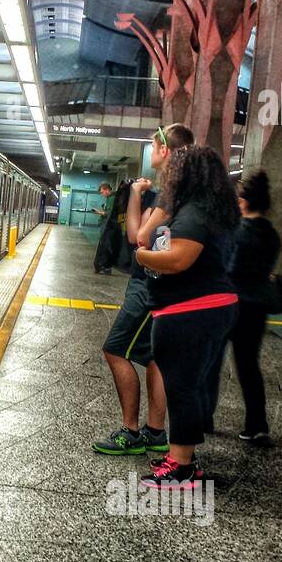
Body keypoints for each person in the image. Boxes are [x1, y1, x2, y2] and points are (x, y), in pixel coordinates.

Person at [134, 144, 240, 489]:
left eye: (173, 171)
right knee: (186, 385)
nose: (167, 176)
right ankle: (181, 459)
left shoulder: (194, 212)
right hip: (203, 306)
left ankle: (182, 467)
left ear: (186, 174)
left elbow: (178, 259)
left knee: (181, 387)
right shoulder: (206, 211)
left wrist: (143, 258)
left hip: (192, 309)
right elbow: (166, 246)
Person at [93, 124, 194, 457]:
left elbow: (138, 236)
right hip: (164, 287)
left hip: (149, 287)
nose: (151, 152)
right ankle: (154, 431)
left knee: (115, 349)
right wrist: (138, 196)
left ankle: (131, 432)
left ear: (164, 150)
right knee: (153, 359)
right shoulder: (180, 189)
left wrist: (136, 195)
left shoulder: (171, 193)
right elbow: (143, 233)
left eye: (153, 146)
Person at [228, 169, 281, 444]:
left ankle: (202, 417)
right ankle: (257, 424)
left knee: (210, 361)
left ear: (246, 201)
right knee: (249, 366)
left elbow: (232, 267)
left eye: (239, 198)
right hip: (258, 307)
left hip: (232, 303)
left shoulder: (238, 231)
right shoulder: (272, 233)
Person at [90, 182, 113, 274]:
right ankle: (104, 266)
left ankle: (105, 267)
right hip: (106, 225)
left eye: (102, 192)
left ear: (106, 189)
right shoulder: (108, 199)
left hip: (108, 226)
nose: (102, 194)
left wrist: (99, 212)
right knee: (104, 246)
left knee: (105, 246)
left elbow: (109, 214)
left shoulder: (112, 199)